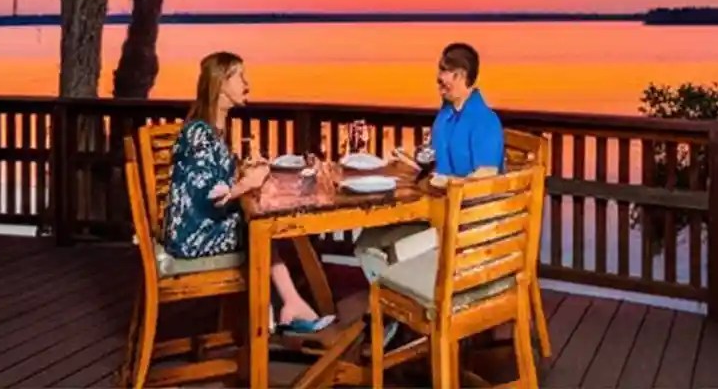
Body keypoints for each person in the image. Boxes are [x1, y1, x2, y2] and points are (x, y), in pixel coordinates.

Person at [164, 51, 333, 335]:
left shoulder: (212, 131)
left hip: (198, 227)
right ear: (220, 84)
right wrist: (247, 184)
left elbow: (214, 181)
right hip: (192, 237)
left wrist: (242, 173)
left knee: (266, 229)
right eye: (240, 76)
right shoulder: (198, 134)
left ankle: (286, 306)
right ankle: (274, 316)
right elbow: (210, 196)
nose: (247, 83)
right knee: (262, 231)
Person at [353, 43, 505, 340]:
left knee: (392, 249)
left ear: (460, 76)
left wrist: (448, 183)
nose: (438, 80)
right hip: (435, 214)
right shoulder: (446, 116)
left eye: (443, 74)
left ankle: (408, 324)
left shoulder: (484, 120)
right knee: (366, 242)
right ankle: (397, 317)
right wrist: (412, 162)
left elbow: (486, 177)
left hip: (465, 227)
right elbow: (438, 164)